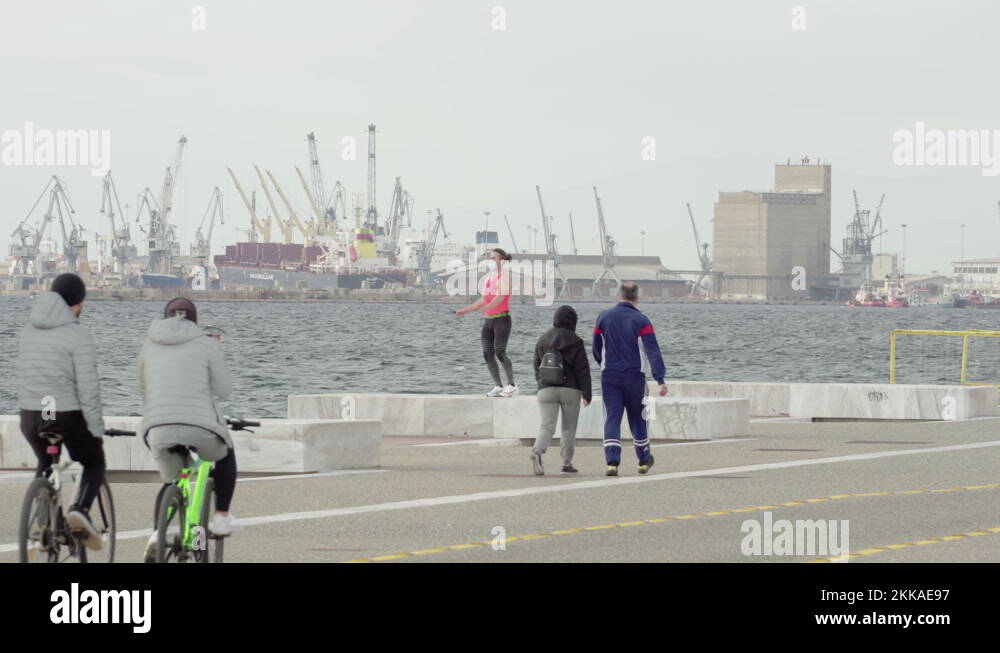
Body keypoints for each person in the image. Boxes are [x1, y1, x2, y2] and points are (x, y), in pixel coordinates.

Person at [136, 298, 240, 561]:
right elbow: (224, 390)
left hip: (157, 428)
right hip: (200, 427)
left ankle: (157, 533)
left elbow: (142, 388)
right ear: (195, 320)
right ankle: (222, 517)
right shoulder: (207, 343)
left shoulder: (149, 344)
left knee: (173, 480)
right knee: (226, 453)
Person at [17, 273, 107, 549]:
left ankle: (47, 524)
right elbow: (88, 388)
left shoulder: (28, 329)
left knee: (45, 462)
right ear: (78, 304)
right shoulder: (78, 334)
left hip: (31, 415)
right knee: (93, 462)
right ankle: (79, 509)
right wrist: (96, 428)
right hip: (65, 414)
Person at [593, 282, 668, 476]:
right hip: (635, 377)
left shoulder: (603, 317)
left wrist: (604, 364)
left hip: (609, 376)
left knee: (612, 417)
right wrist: (660, 378)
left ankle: (612, 462)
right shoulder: (642, 320)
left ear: (620, 295)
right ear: (637, 297)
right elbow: (653, 350)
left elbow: (596, 347)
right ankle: (643, 459)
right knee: (639, 417)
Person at [531, 305, 592, 476]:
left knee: (546, 426)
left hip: (546, 389)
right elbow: (582, 369)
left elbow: (536, 365)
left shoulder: (543, 339)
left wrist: (541, 384)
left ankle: (537, 451)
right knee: (568, 428)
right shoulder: (575, 341)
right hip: (570, 389)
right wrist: (587, 393)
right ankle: (567, 463)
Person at [455, 247, 518, 397]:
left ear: (501, 261)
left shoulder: (504, 277)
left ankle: (512, 385)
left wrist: (487, 307)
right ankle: (498, 385)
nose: (491, 261)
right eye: (489, 258)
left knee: (500, 352)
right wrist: (466, 310)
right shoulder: (489, 279)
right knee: (487, 353)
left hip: (502, 320)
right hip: (489, 322)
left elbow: (500, 297)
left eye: (494, 258)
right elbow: (482, 300)